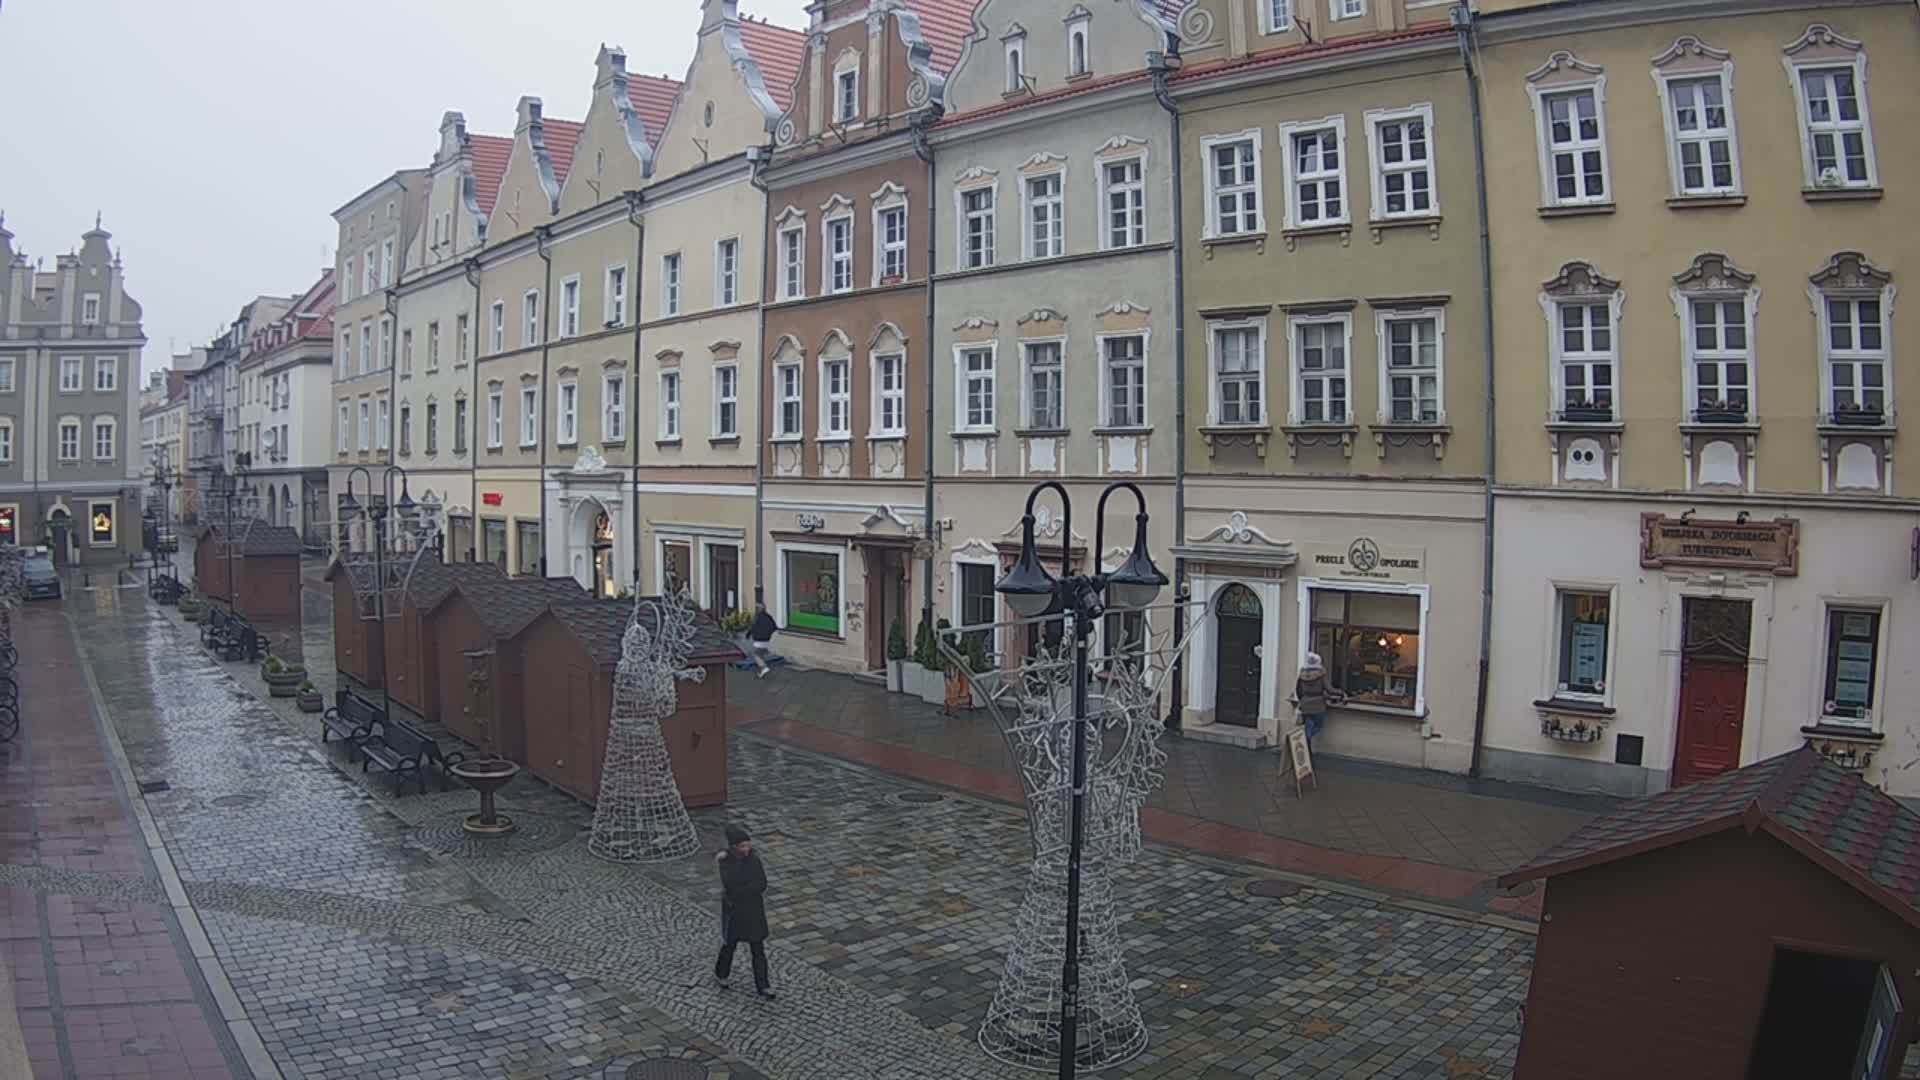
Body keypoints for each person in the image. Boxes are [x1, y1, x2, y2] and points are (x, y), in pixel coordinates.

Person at [714, 824, 775, 999]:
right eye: (742, 846)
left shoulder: (754, 860)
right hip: (735, 911)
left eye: (748, 844)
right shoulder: (726, 862)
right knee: (729, 944)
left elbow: (761, 884)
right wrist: (748, 888)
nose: (746, 848)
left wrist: (745, 889)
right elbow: (731, 886)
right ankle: (721, 973)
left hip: (754, 911)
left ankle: (763, 985)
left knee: (758, 949)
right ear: (734, 847)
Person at [1291, 651, 1339, 747]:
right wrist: (1340, 692)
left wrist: (1303, 700)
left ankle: (1306, 744)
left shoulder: (1302, 675)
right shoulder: (1320, 676)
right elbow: (1330, 690)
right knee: (1318, 726)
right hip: (1318, 705)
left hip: (1305, 704)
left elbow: (1298, 690)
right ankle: (1307, 738)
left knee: (1308, 726)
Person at [748, 602, 778, 678]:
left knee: (755, 654)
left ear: (758, 609)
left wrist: (749, 634)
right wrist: (768, 634)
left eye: (756, 608)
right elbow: (774, 627)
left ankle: (764, 667)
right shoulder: (769, 617)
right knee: (761, 654)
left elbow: (753, 627)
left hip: (759, 640)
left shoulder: (757, 617)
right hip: (767, 640)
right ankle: (761, 672)